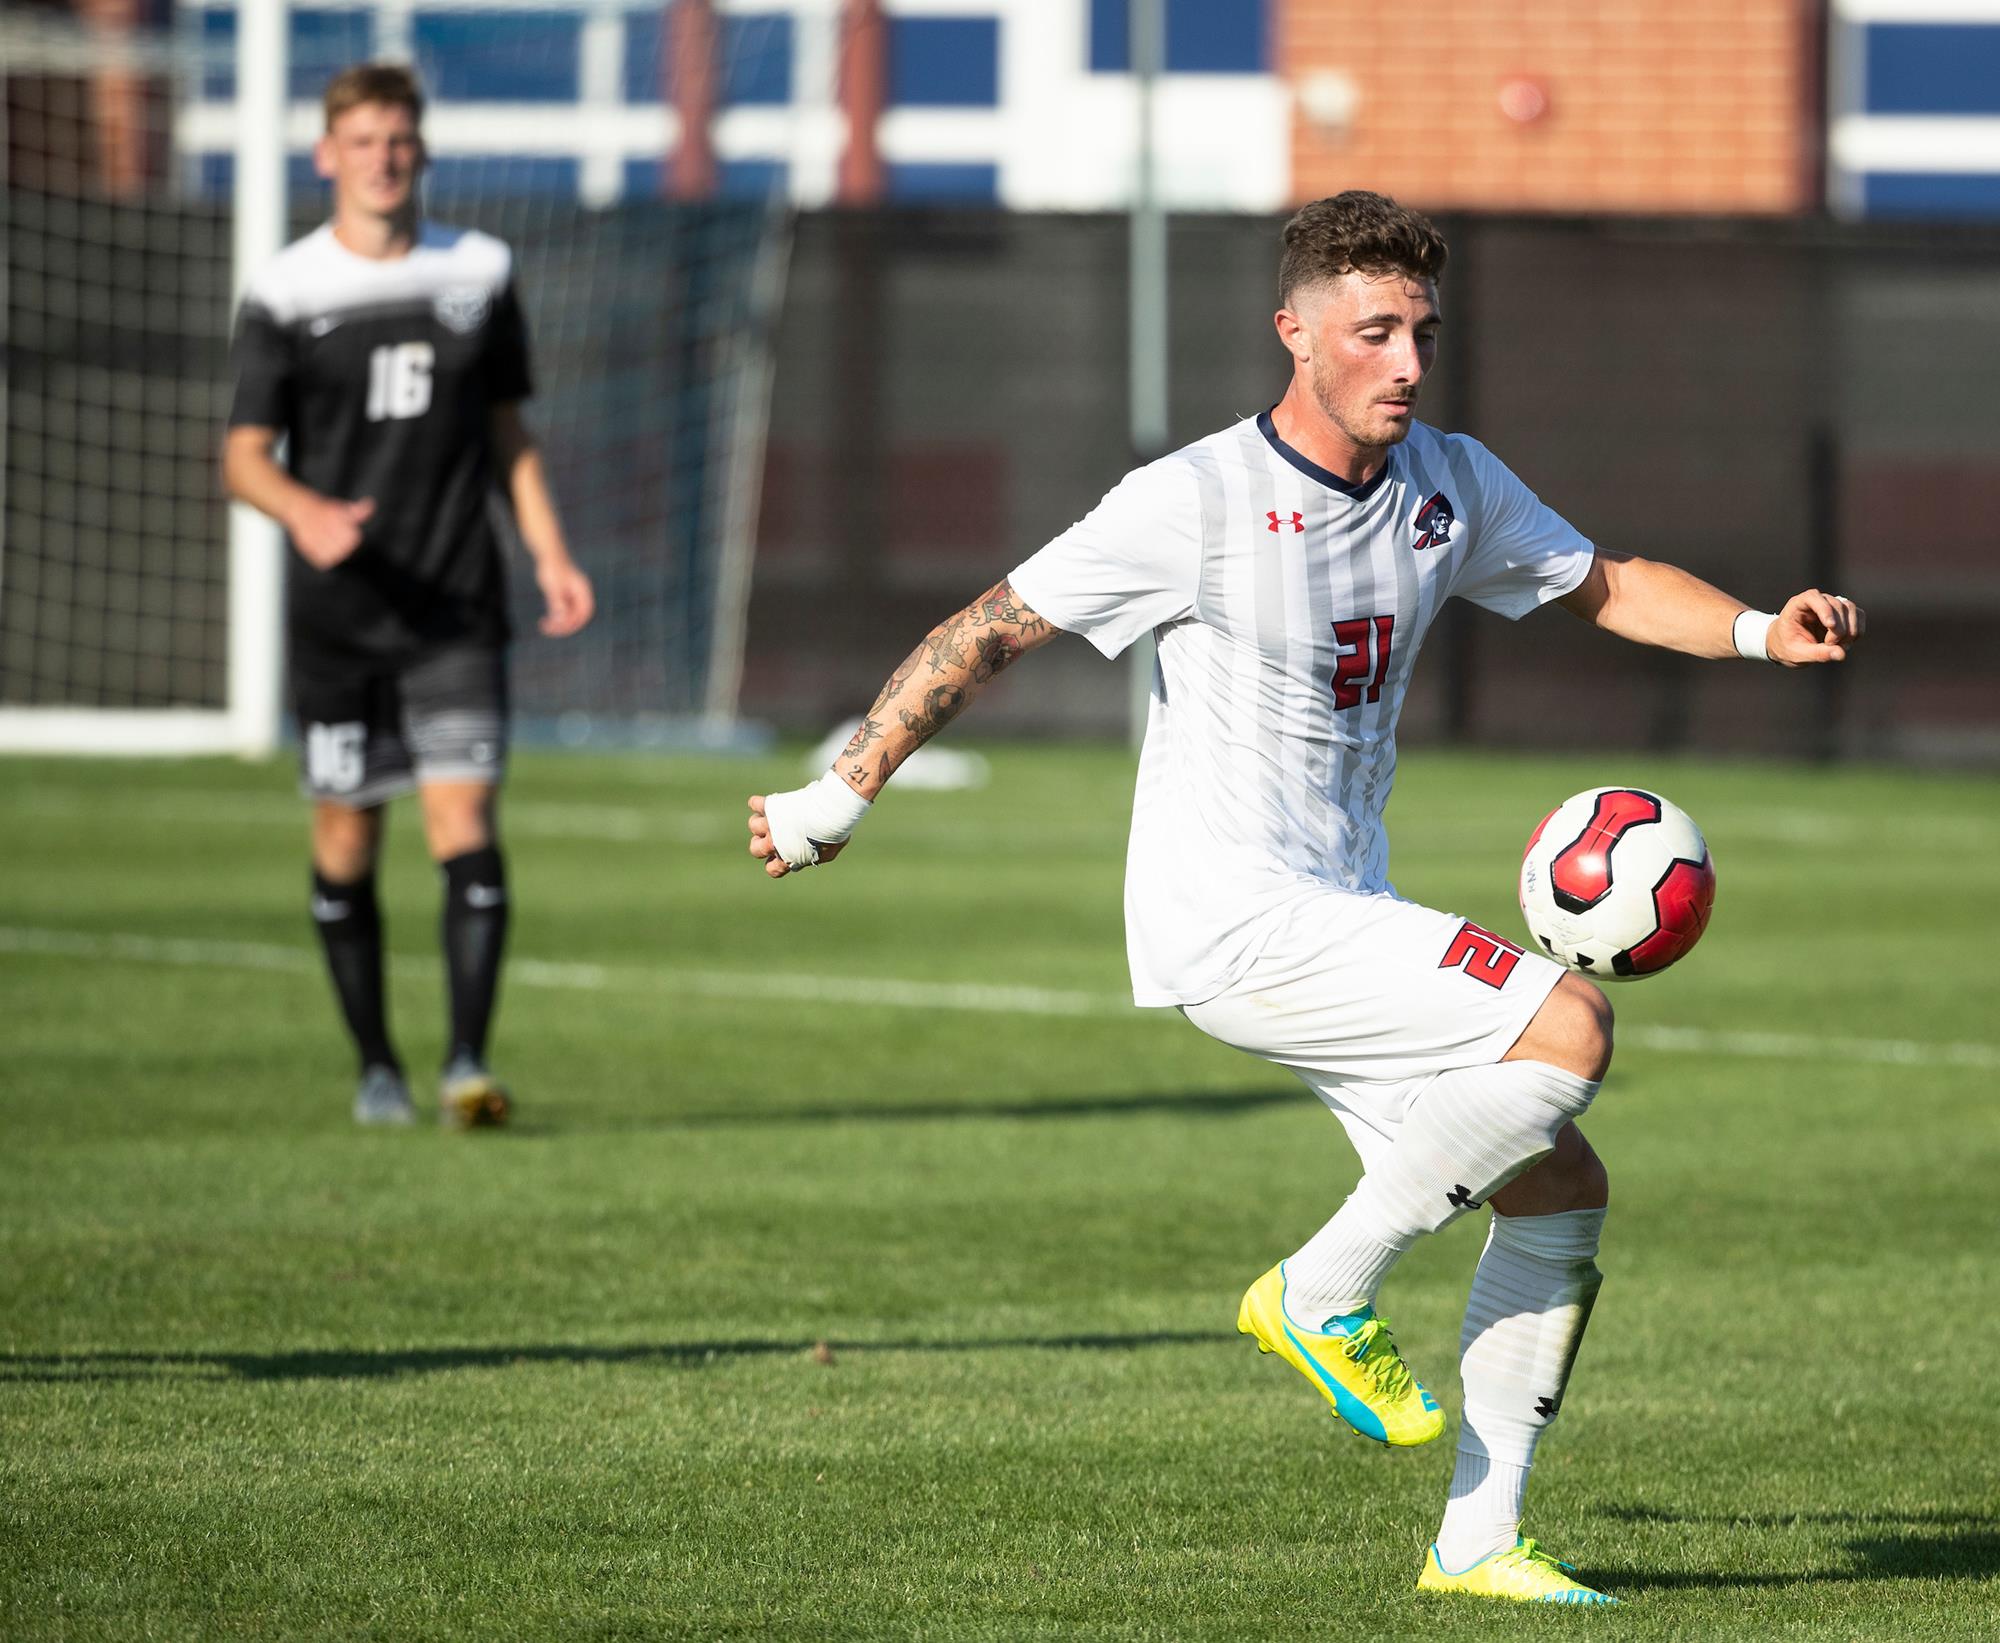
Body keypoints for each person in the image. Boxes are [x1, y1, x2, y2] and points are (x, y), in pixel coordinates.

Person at [748, 191, 1866, 1603]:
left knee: (1559, 1189)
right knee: (1567, 1026)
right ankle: (1321, 1291)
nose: (1406, 361)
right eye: (1375, 331)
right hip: (1234, 912)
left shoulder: (1449, 481)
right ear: (1296, 333)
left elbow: (1610, 583)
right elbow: (989, 627)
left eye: (1424, 333)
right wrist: (836, 794)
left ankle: (1478, 1540)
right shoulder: (1195, 498)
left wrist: (1768, 630)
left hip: (1334, 899)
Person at [224, 63, 594, 1128]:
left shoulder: (479, 270)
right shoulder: (287, 289)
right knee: (345, 841)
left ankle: (466, 1065)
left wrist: (552, 554)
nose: (384, 159)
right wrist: (306, 512)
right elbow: (243, 458)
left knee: (463, 815)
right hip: (340, 623)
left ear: (421, 151)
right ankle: (376, 1065)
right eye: (365, 140)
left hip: (455, 606)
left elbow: (508, 436)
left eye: (401, 140)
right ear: (326, 155)